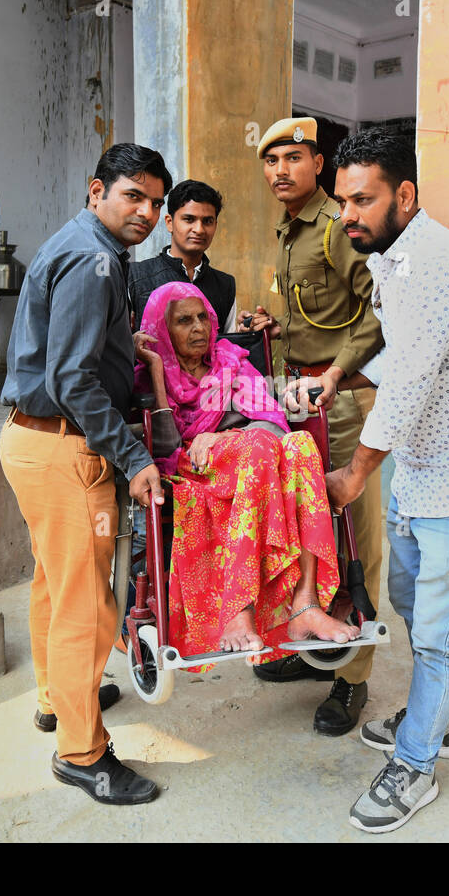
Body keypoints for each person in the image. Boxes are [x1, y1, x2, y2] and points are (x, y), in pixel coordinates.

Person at [306, 129, 449, 833]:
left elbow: (408, 382)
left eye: (363, 199)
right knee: (406, 595)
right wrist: (337, 376)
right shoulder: (394, 258)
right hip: (424, 471)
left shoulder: (436, 261)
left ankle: (415, 765)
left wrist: (352, 473)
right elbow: (403, 354)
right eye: (343, 200)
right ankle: (444, 720)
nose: (348, 214)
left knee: (436, 634)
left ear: (405, 195)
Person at [0, 143, 171, 807]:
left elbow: (72, 353)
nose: (148, 212)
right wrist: (135, 459)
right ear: (97, 189)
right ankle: (82, 752)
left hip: (30, 441)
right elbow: (71, 379)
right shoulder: (96, 260)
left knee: (52, 578)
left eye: (155, 201)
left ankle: (54, 695)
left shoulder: (87, 247)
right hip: (65, 449)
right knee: (89, 606)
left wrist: (127, 346)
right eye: (134, 196)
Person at [241, 116, 385, 737]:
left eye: (293, 158)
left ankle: (353, 680)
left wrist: (337, 373)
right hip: (298, 401)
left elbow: (376, 312)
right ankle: (317, 647)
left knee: (356, 534)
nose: (279, 170)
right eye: (270, 160)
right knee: (307, 527)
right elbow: (310, 316)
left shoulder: (335, 228)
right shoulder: (288, 230)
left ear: (318, 164)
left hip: (344, 401)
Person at [134, 282, 360, 658]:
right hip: (193, 465)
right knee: (259, 447)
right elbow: (164, 449)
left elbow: (273, 423)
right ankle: (237, 610)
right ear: (162, 329)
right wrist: (157, 371)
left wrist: (222, 434)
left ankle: (305, 604)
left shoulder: (231, 361)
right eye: (183, 320)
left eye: (203, 317)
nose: (199, 328)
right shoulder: (148, 374)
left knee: (301, 445)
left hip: (252, 452)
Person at [127, 179, 239, 332]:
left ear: (215, 225)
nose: (199, 229)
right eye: (189, 219)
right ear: (169, 222)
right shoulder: (135, 276)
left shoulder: (225, 285)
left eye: (207, 221)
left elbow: (228, 348)